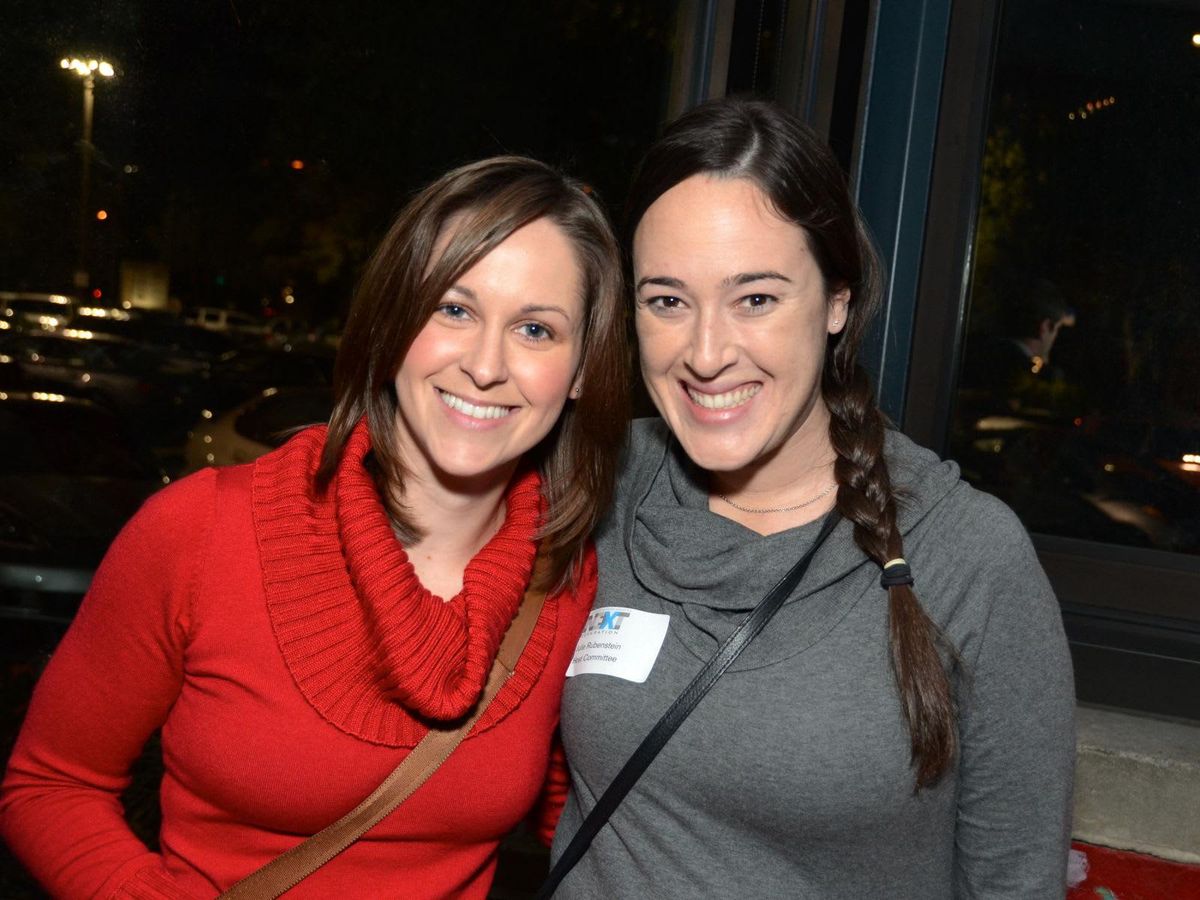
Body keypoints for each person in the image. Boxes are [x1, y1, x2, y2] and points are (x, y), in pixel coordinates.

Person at [0, 156, 630, 898]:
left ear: (583, 367)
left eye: (534, 328)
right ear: (393, 321)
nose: (486, 365)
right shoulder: (201, 530)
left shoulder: (569, 581)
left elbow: (588, 830)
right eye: (453, 310)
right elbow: (49, 783)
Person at [550, 99, 1075, 897]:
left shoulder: (966, 555)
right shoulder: (599, 484)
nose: (706, 352)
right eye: (668, 300)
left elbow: (1014, 879)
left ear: (837, 299)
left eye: (755, 298)